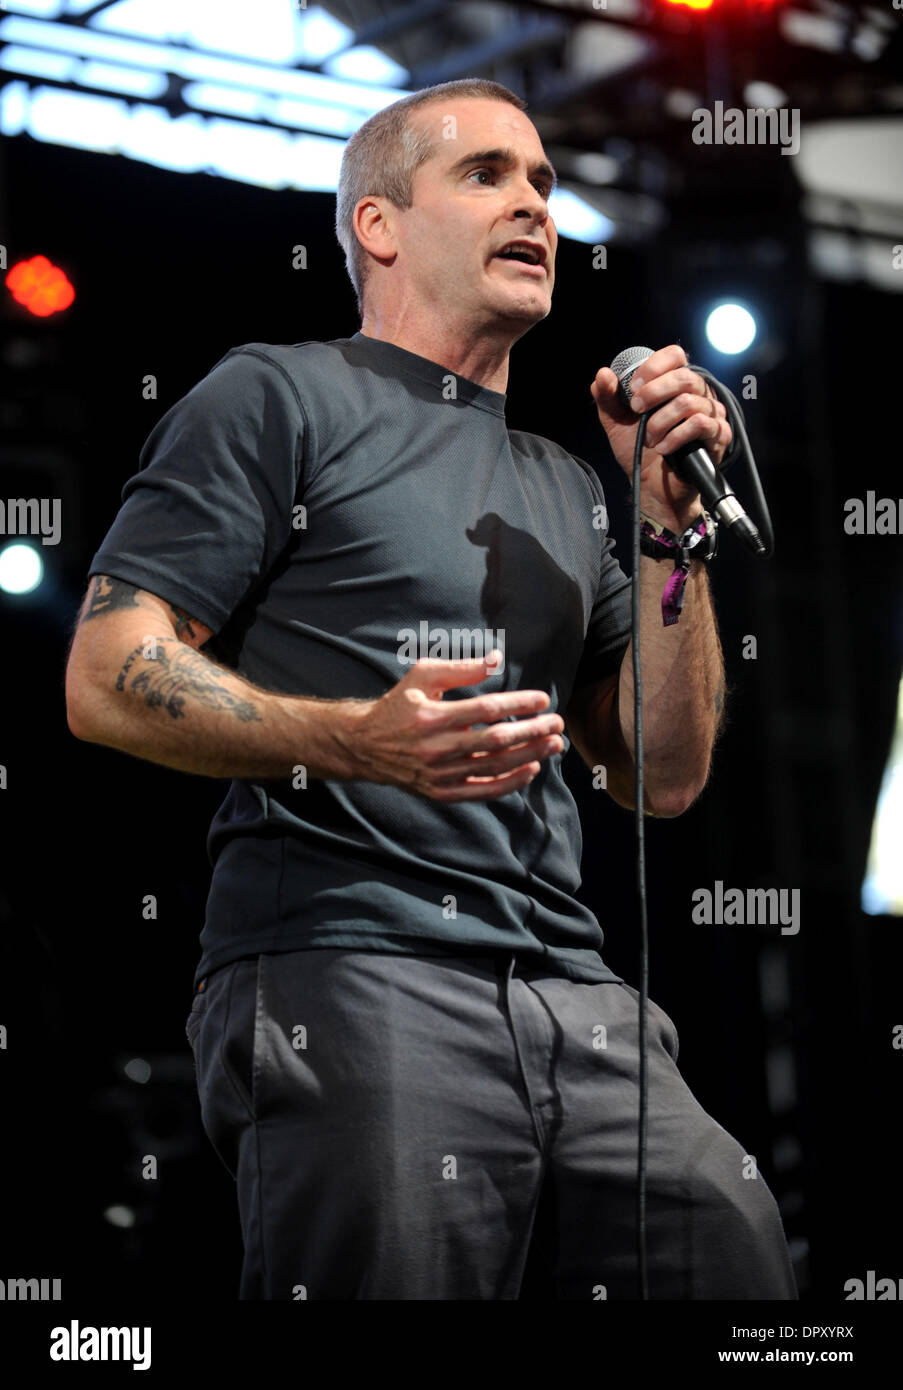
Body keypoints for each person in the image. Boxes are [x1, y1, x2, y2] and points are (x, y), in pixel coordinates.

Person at [64, 78, 798, 1300]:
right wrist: (360, 738)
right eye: (488, 175)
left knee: (731, 1251)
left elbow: (662, 775)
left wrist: (668, 527)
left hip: (574, 990)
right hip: (348, 963)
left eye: (547, 185)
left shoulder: (569, 485)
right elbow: (103, 673)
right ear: (379, 224)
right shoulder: (279, 395)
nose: (534, 206)